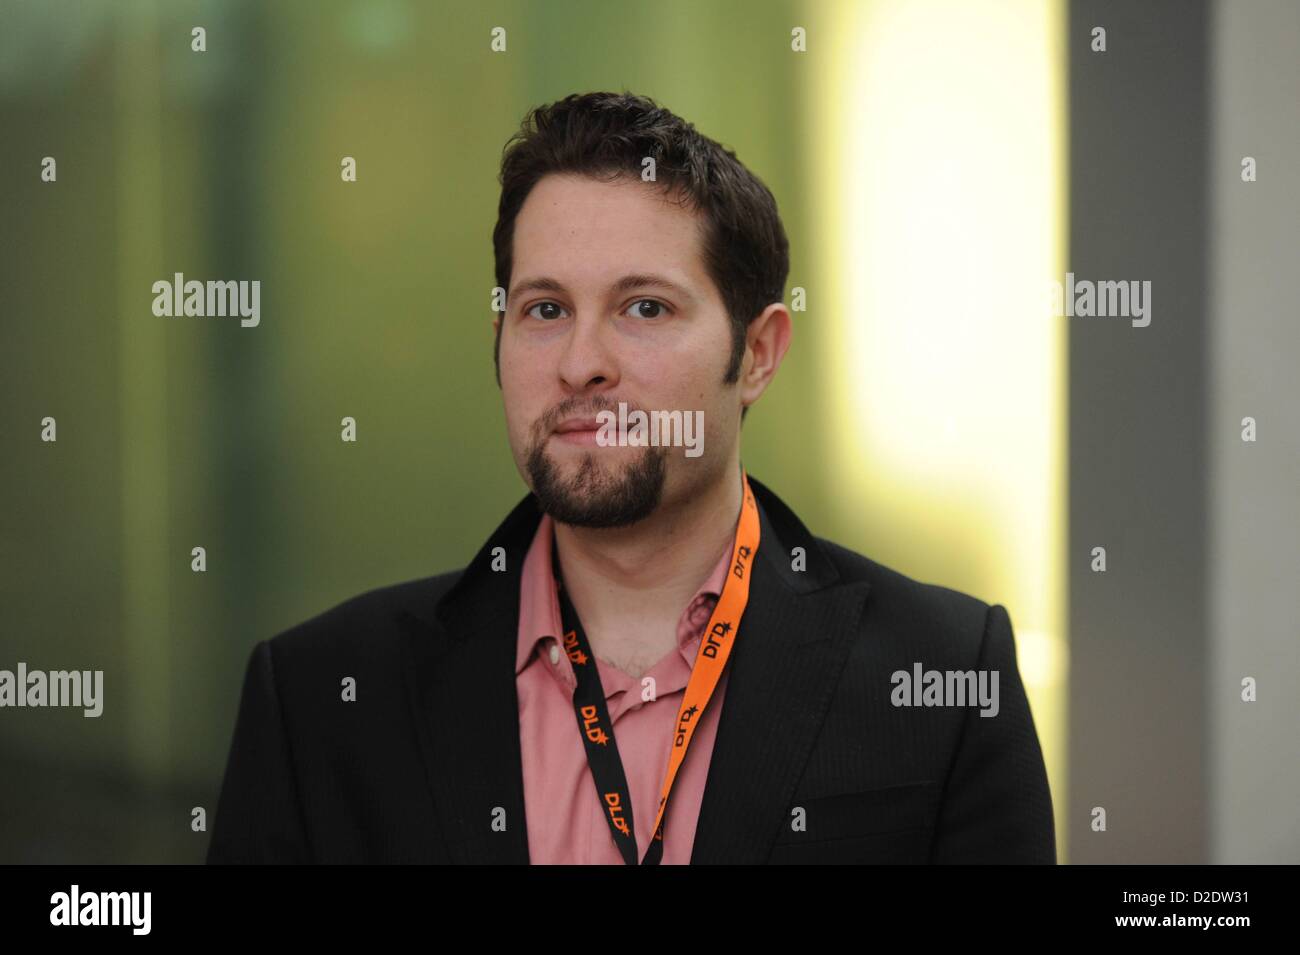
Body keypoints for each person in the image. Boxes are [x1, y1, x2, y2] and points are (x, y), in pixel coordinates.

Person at [207, 91, 1055, 865]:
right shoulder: (323, 700)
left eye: (644, 307)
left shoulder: (942, 677)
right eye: (544, 309)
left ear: (756, 354)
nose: (582, 364)